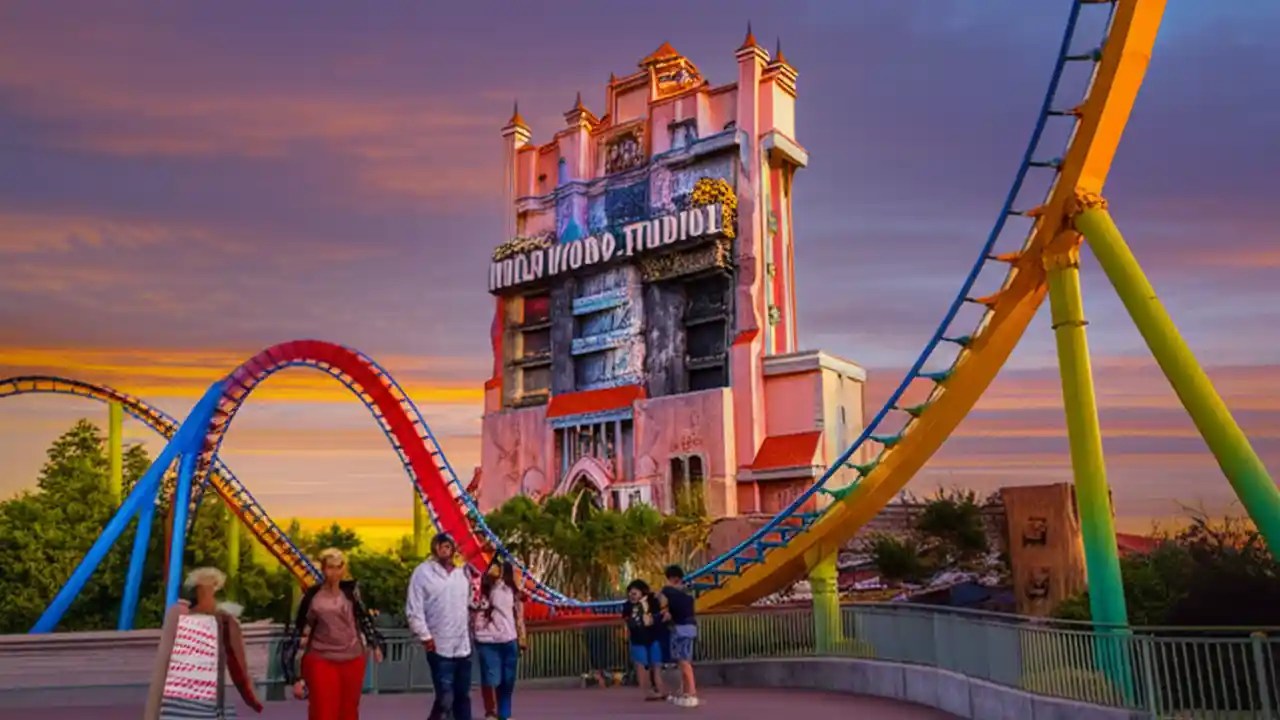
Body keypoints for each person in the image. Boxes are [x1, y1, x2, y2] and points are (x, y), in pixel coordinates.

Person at [144, 567, 264, 719]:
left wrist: (254, 699)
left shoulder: (226, 622)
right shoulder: (179, 615)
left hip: (209, 705)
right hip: (181, 704)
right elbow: (162, 665)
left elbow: (240, 669)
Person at [280, 547, 385, 720]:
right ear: (323, 568)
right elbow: (299, 631)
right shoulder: (313, 596)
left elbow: (364, 619)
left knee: (349, 710)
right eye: (330, 567)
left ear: (344, 569)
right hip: (322, 657)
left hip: (352, 656)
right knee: (323, 709)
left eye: (338, 567)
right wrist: (295, 675)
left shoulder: (352, 593)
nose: (334, 572)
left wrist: (375, 644)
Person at [406, 533, 475, 720]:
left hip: (462, 646)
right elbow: (414, 609)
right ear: (434, 548)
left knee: (463, 696)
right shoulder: (422, 573)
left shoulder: (463, 572)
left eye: (448, 545)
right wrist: (425, 636)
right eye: (440, 546)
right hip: (438, 644)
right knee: (445, 696)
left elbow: (470, 602)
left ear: (454, 548)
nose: (444, 549)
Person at [472, 559, 527, 720]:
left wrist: (522, 635)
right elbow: (471, 604)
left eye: (500, 565)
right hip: (487, 639)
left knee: (507, 680)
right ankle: (490, 711)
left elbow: (519, 612)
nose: (497, 568)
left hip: (509, 638)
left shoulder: (511, 587)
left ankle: (504, 714)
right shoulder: (479, 584)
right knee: (491, 678)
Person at [659, 565, 699, 708]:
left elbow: (663, 607)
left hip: (679, 628)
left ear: (672, 578)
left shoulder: (667, 591)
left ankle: (692, 693)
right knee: (685, 660)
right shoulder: (689, 591)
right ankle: (685, 692)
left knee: (683, 662)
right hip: (691, 626)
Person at [621, 579, 665, 702]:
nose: (631, 596)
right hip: (638, 640)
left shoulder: (652, 602)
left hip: (653, 637)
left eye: (634, 593)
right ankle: (647, 691)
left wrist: (652, 619)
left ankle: (660, 689)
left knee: (656, 664)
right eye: (630, 593)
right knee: (642, 665)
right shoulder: (627, 606)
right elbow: (627, 620)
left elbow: (660, 615)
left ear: (642, 593)